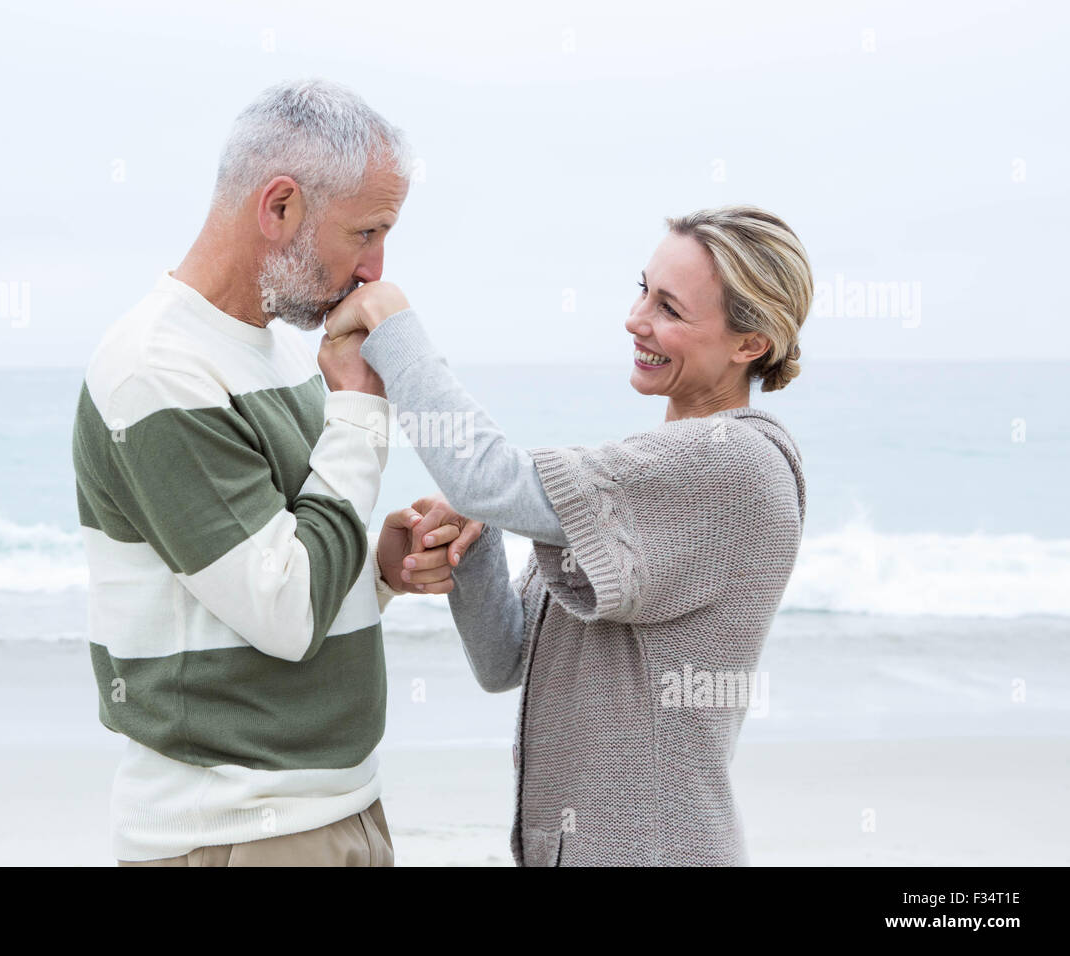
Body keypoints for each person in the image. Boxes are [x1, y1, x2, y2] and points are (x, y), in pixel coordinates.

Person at [324, 204, 811, 865]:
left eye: (670, 308)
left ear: (749, 344)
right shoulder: (651, 469)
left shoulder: (735, 464)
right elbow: (505, 658)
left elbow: (487, 474)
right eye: (644, 290)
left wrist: (392, 325)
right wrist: (480, 533)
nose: (636, 319)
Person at [71, 78, 476, 867]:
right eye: (366, 231)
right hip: (236, 832)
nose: (375, 267)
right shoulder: (156, 369)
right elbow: (284, 611)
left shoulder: (284, 346)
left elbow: (284, 563)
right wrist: (359, 412)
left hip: (337, 809)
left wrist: (377, 568)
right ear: (280, 206)